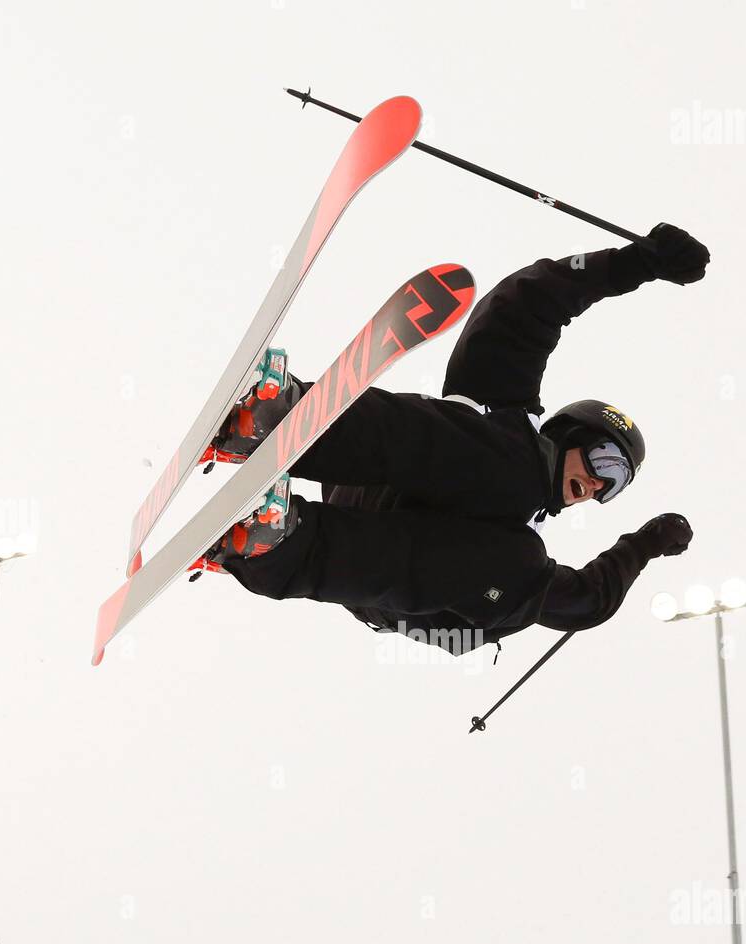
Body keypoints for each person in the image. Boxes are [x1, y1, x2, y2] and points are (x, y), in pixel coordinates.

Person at [198, 225, 707, 659]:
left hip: (406, 589)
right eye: (603, 461)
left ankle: (276, 541)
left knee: (525, 571)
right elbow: (525, 308)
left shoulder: (517, 543)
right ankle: (281, 424)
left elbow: (588, 602)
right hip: (372, 480)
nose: (595, 484)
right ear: (571, 431)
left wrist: (647, 543)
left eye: (610, 488)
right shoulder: (507, 415)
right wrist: (635, 263)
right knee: (519, 471)